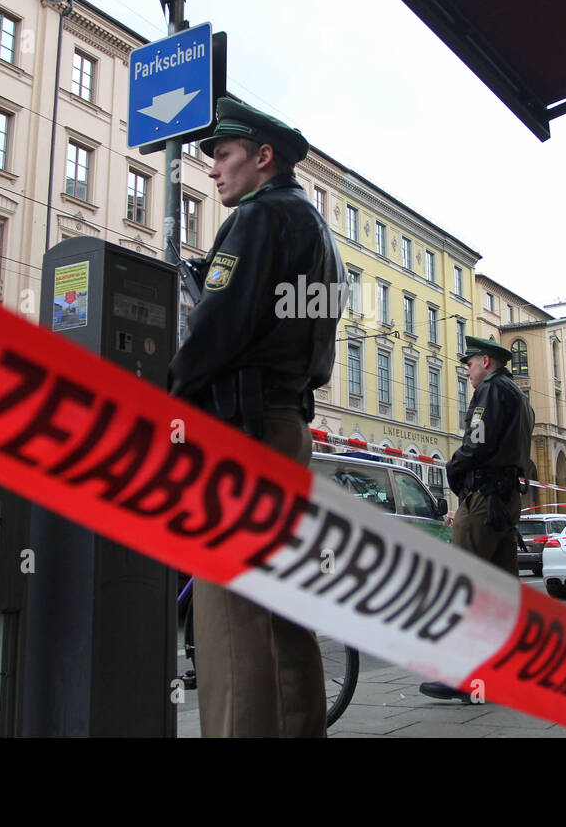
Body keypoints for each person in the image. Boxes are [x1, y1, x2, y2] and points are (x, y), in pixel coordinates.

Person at [168, 97, 343, 737]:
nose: (212, 168)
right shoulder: (316, 228)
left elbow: (217, 326)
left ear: (262, 157)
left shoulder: (258, 218)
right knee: (283, 609)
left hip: (242, 430)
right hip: (286, 424)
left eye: (223, 154)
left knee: (232, 619)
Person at [421, 336, 535, 702]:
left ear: (486, 361)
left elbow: (478, 441)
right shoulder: (519, 396)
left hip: (484, 498)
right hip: (506, 498)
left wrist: (455, 465)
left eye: (469, 364)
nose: (467, 372)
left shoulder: (490, 391)